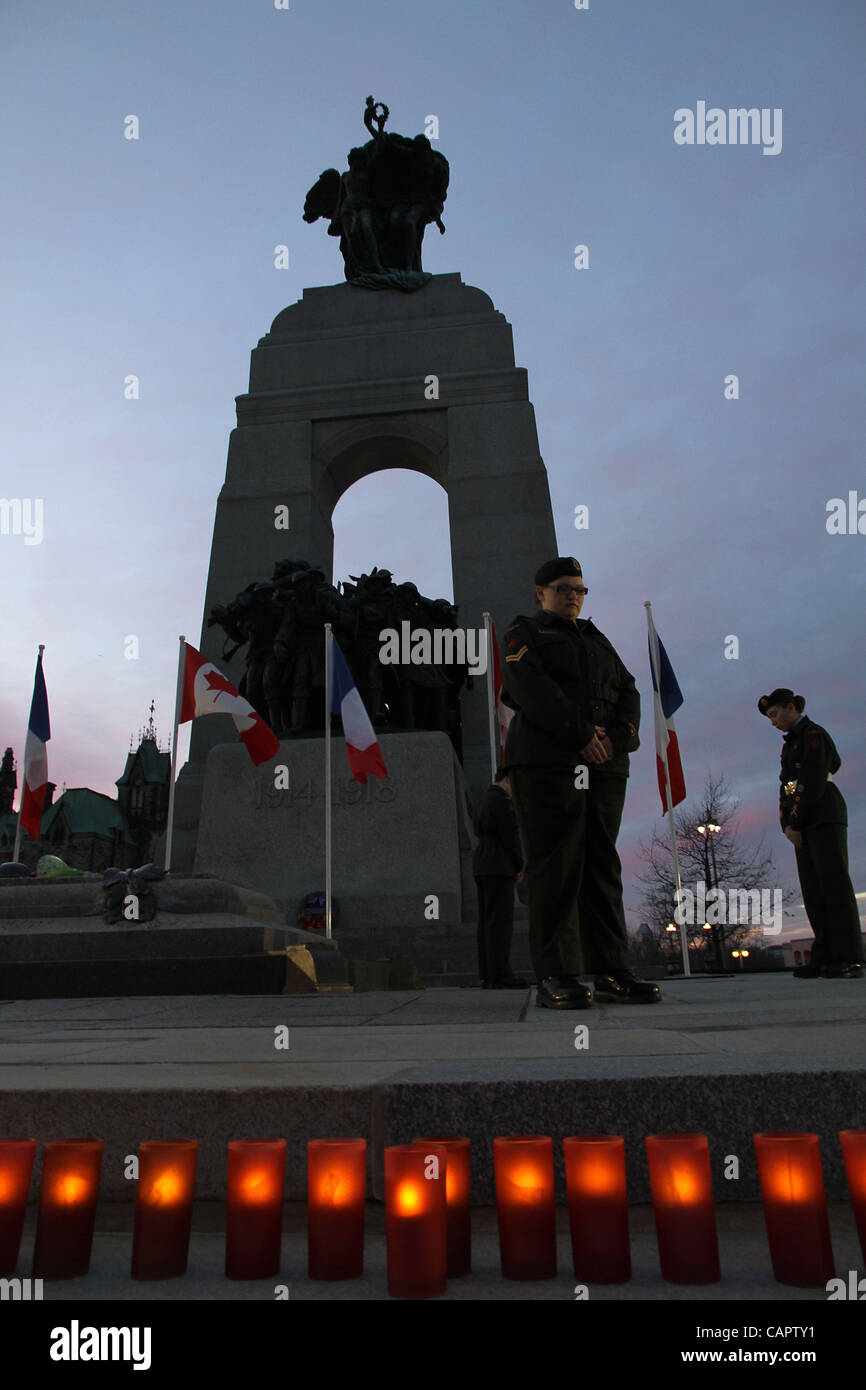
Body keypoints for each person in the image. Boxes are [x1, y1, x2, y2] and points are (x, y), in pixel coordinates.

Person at [500, 557, 660, 1008]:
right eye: (564, 587)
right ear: (541, 593)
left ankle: (611, 970)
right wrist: (581, 734)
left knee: (602, 866)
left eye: (580, 589)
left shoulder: (597, 638)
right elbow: (528, 686)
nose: (574, 595)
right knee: (556, 865)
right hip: (547, 763)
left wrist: (621, 737)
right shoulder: (524, 632)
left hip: (606, 765)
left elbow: (628, 691)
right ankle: (558, 973)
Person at [758, 688, 863, 979]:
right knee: (814, 891)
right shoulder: (790, 745)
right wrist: (788, 826)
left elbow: (813, 780)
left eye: (775, 714)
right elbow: (786, 786)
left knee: (834, 886)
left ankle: (848, 956)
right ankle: (825, 954)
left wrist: (797, 821)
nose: (773, 722)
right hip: (801, 821)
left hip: (823, 814)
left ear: (791, 707)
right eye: (769, 718)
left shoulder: (813, 735)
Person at [472, 767, 527, 989]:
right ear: (506, 781)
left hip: (483, 863)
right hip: (499, 865)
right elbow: (509, 835)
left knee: (486, 922)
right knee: (500, 924)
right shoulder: (501, 801)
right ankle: (501, 974)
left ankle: (488, 973)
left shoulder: (484, 800)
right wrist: (518, 864)